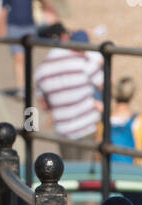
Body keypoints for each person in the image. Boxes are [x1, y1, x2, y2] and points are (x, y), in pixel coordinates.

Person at [33, 23, 104, 160]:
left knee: (70, 170)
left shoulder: (41, 72)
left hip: (63, 128)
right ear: (65, 37)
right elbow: (103, 84)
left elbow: (44, 105)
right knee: (88, 175)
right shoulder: (82, 61)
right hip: (87, 124)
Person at [0, 0, 52, 96]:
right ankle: (21, 87)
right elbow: (4, 9)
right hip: (14, 25)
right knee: (18, 56)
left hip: (29, 25)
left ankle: (27, 85)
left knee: (27, 57)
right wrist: (1, 28)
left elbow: (42, 3)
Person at [106, 76, 142, 165]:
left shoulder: (104, 121)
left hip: (110, 174)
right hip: (134, 174)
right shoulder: (141, 120)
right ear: (132, 94)